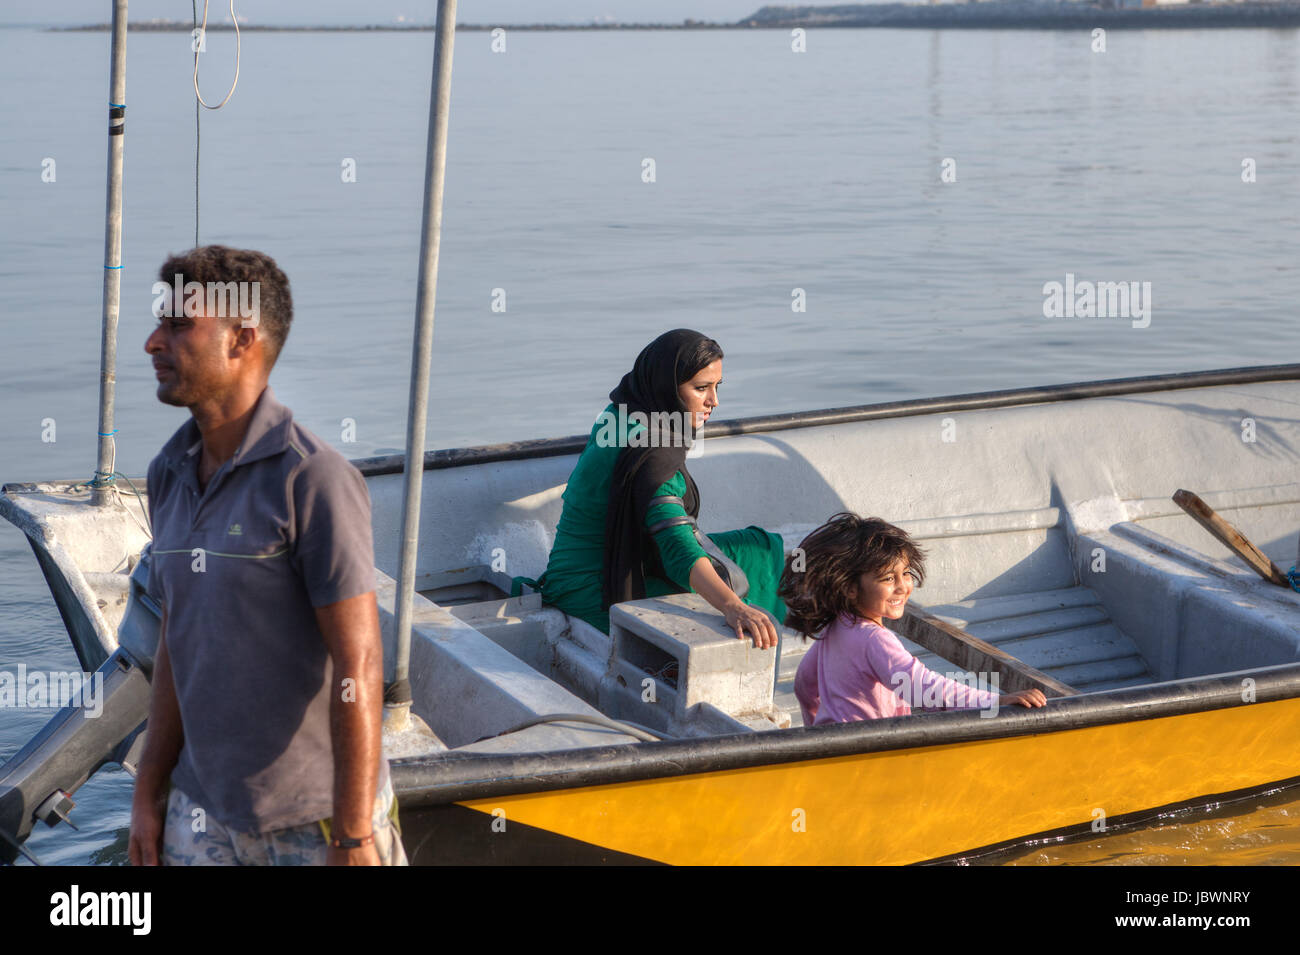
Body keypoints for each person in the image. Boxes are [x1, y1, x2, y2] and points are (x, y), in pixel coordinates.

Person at [128, 245, 405, 866]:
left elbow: (358, 663)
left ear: (240, 339)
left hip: (314, 819)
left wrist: (355, 834)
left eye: (177, 325)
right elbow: (176, 636)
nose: (152, 342)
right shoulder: (167, 472)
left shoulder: (312, 479)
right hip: (202, 814)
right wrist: (148, 792)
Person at [525, 329, 784, 648]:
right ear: (666, 386)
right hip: (597, 589)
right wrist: (733, 607)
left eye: (716, 387)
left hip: (587, 567)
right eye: (701, 388)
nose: (713, 402)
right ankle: (778, 647)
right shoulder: (652, 452)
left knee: (759, 547)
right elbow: (677, 548)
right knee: (755, 568)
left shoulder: (621, 412)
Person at [779, 512, 1047, 724]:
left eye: (905, 573)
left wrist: (815, 729)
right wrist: (994, 702)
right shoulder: (875, 640)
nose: (903, 586)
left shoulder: (836, 627)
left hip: (835, 749)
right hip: (869, 756)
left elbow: (804, 684)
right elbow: (923, 688)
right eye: (887, 578)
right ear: (850, 587)